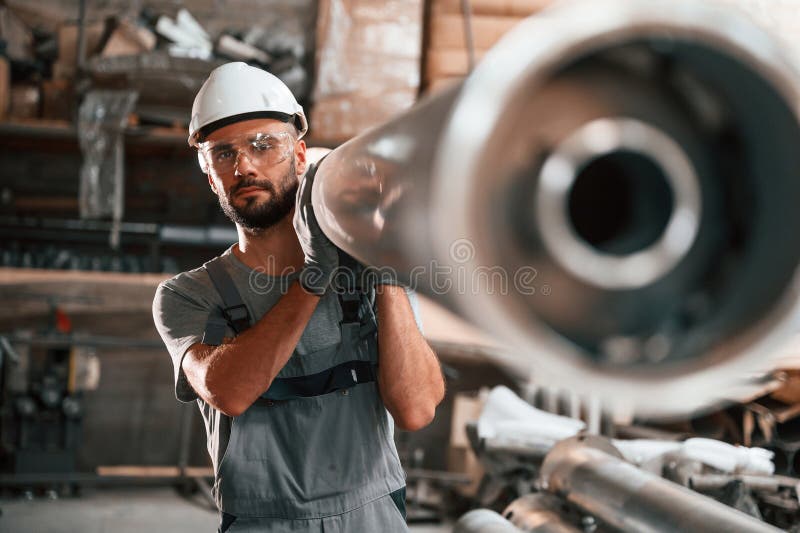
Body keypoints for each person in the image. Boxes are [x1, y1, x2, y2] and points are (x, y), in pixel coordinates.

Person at [152, 61, 445, 533]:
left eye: (263, 146)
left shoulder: (369, 277)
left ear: (301, 155)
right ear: (211, 177)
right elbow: (229, 391)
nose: (243, 165)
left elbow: (416, 409)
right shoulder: (187, 295)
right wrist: (313, 279)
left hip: (372, 518)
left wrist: (384, 266)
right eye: (223, 155)